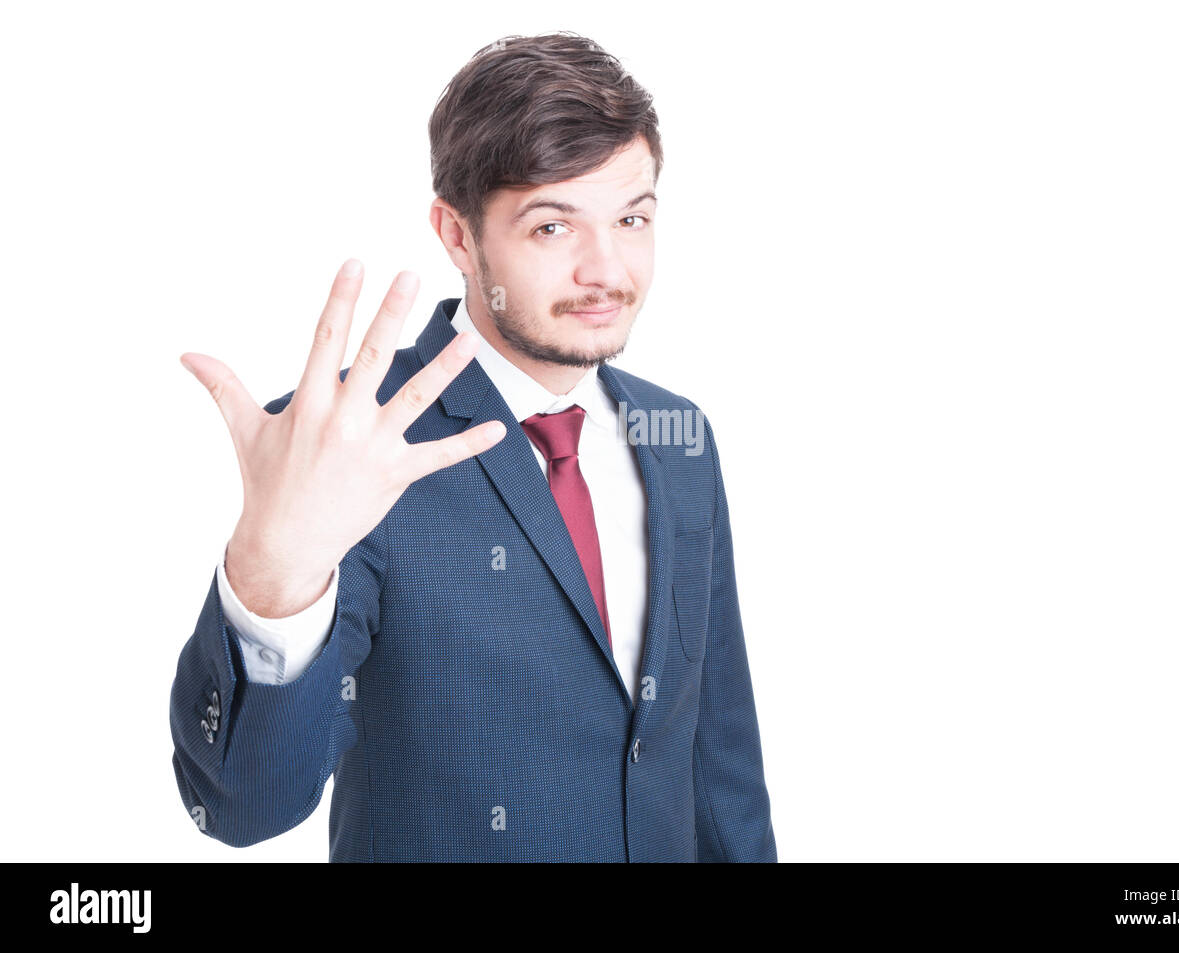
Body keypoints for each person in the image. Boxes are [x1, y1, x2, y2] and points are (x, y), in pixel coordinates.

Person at [169, 31, 776, 862]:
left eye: (631, 218)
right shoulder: (349, 446)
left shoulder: (680, 441)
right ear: (457, 235)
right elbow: (245, 807)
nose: (607, 269)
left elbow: (719, 769)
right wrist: (273, 576)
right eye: (554, 226)